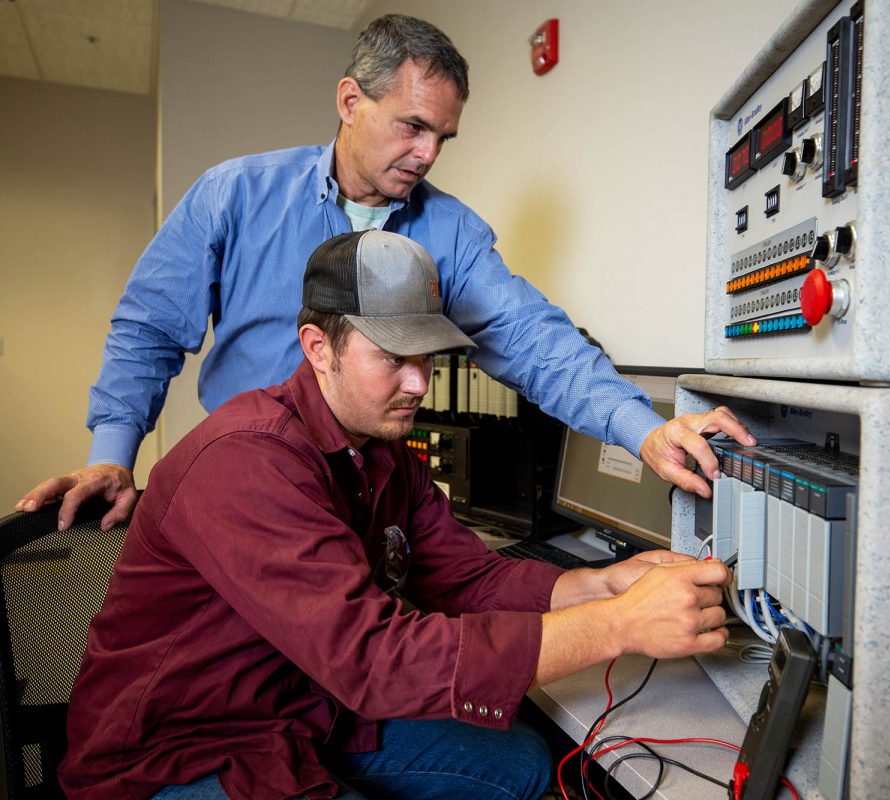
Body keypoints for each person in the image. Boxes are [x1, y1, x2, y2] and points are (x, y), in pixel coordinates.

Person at [58, 230, 732, 800]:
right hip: (183, 750)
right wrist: (618, 625)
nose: (419, 383)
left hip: (303, 707)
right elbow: (375, 661)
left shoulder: (380, 452)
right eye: (392, 357)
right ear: (318, 349)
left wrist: (605, 584)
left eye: (425, 357)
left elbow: (467, 578)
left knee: (525, 764)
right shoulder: (246, 461)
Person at [15, 14, 754, 532]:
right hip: (244, 487)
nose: (428, 154)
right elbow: (147, 330)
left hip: (367, 499)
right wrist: (112, 458)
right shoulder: (234, 195)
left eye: (443, 136)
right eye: (413, 126)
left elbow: (533, 339)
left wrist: (642, 429)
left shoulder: (451, 232)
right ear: (350, 102)